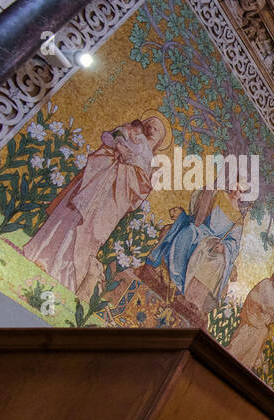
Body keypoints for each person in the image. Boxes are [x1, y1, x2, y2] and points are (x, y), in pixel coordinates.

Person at [23, 114, 171, 301]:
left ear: (159, 141)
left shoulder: (150, 161)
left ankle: (66, 275)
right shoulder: (128, 131)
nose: (151, 129)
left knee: (90, 234)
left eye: (156, 130)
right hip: (96, 183)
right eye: (150, 125)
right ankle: (44, 255)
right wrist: (118, 148)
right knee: (73, 218)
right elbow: (109, 137)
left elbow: (139, 192)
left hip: (113, 200)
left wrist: (134, 171)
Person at [146, 187, 246, 314]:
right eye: (236, 187)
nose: (236, 192)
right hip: (202, 229)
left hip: (215, 242)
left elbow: (234, 243)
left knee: (215, 259)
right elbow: (200, 206)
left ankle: (187, 292)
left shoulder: (238, 218)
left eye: (241, 191)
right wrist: (206, 194)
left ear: (242, 196)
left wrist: (224, 247)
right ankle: (175, 275)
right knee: (189, 231)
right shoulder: (219, 195)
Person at [227, 266, 274, 371]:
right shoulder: (266, 283)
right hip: (253, 314)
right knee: (249, 330)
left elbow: (270, 317)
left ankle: (247, 363)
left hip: (262, 320)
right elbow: (253, 294)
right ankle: (233, 353)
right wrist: (262, 306)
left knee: (263, 332)